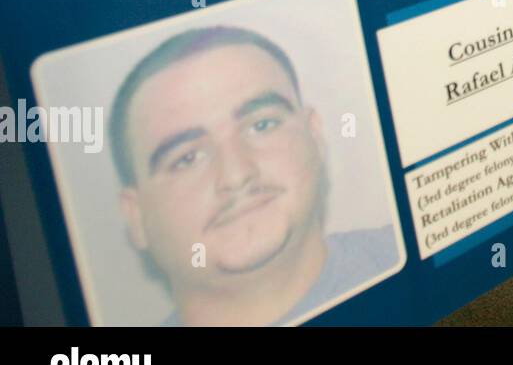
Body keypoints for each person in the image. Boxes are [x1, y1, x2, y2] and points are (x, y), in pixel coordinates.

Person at [109, 26, 397, 326]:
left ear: (315, 136)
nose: (236, 175)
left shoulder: (401, 250)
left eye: (262, 126)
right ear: (137, 216)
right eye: (187, 158)